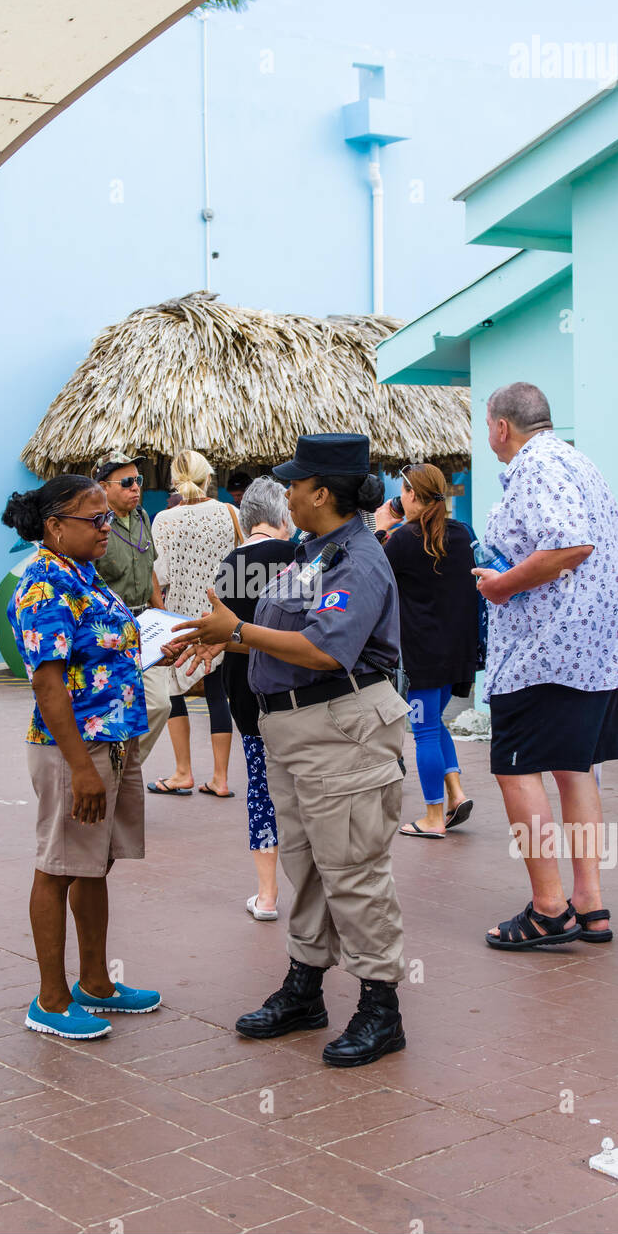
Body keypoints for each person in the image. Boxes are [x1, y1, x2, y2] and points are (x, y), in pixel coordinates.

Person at [166, 434, 410, 1068]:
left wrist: (239, 631)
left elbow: (329, 650)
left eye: (296, 484)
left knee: (354, 871)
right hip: (298, 731)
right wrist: (229, 641)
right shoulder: (314, 551)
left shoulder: (357, 558)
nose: (286, 493)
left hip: (341, 729)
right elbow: (291, 635)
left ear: (322, 493)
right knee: (305, 865)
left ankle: (381, 1008)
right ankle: (306, 987)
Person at [475, 383, 618, 950]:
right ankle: (589, 902)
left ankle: (550, 909)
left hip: (547, 652)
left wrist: (501, 585)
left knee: (513, 768)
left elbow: (568, 546)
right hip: (598, 649)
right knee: (574, 769)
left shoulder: (536, 466)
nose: (489, 438)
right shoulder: (578, 460)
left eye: (488, 427)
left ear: (503, 427)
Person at [2, 474, 161, 1041]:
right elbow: (48, 686)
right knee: (58, 865)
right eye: (95, 520)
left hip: (112, 739)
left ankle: (96, 982)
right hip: (75, 748)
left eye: (107, 519)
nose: (107, 528)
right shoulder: (45, 584)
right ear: (54, 526)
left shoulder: (84, 575)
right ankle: (49, 999)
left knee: (94, 864)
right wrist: (80, 768)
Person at [378, 463, 479, 838]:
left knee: (422, 732)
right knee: (435, 723)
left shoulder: (403, 540)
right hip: (456, 651)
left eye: (403, 492)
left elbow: (374, 578)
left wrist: (382, 530)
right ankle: (455, 794)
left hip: (420, 654)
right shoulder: (462, 534)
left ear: (412, 496)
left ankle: (434, 816)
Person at [214, 476, 297, 919]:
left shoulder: (230, 563)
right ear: (283, 517)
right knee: (304, 793)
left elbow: (219, 628)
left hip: (246, 694)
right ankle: (311, 890)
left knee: (261, 791)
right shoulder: (299, 558)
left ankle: (266, 897)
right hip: (297, 693)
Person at [148, 450, 239, 798]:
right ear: (208, 477)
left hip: (180, 620)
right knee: (218, 693)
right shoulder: (230, 512)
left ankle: (183, 772)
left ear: (174, 480)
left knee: (174, 693)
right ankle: (220, 778)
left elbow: (160, 575)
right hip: (219, 616)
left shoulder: (164, 520)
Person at [92, 451, 171, 764]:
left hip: (146, 622)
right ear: (103, 487)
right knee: (117, 707)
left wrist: (162, 616)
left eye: (137, 480)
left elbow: (149, 569)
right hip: (111, 629)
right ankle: (115, 771)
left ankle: (126, 765)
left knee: (159, 704)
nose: (136, 487)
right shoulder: (97, 525)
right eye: (126, 482)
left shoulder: (142, 517)